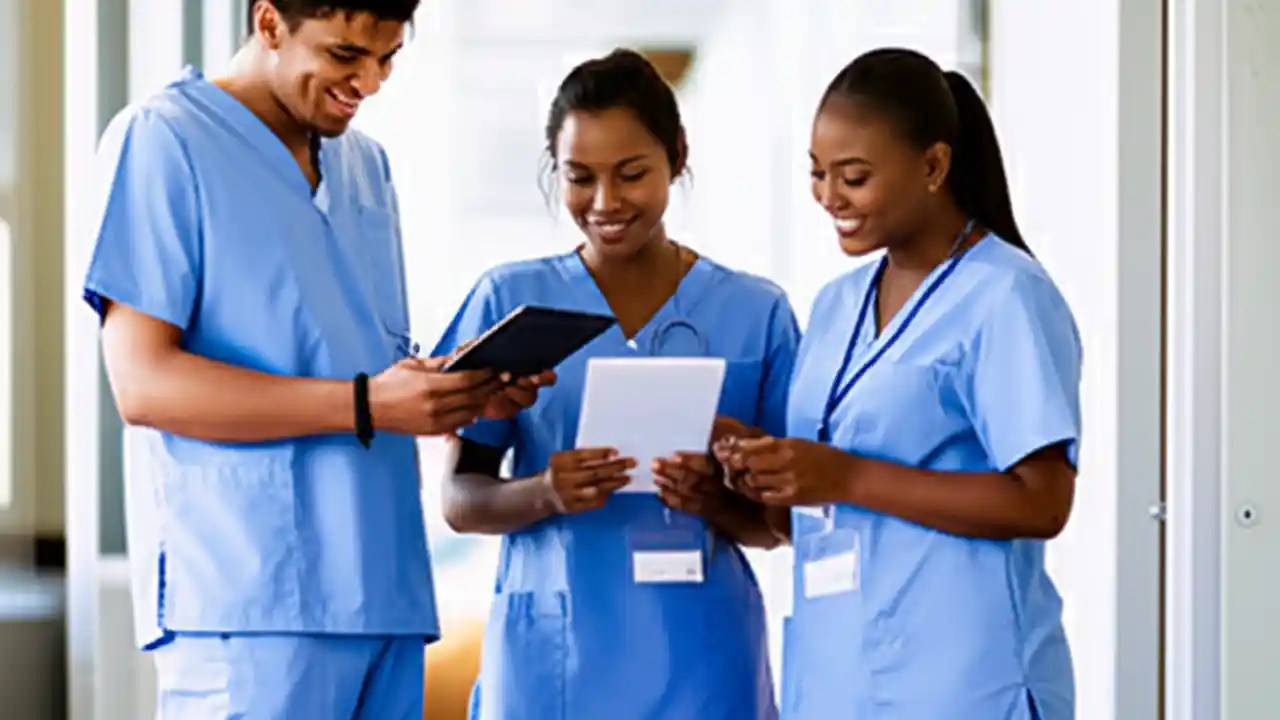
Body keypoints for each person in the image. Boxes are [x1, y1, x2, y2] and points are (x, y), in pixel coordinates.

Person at [82, 2, 551, 717]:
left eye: (387, 58)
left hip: (384, 591)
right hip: (251, 598)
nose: (369, 82)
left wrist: (449, 394)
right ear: (269, 23)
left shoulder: (366, 166)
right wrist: (366, 404)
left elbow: (349, 352)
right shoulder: (164, 141)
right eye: (344, 55)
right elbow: (143, 383)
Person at [434, 49, 800, 720]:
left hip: (703, 656)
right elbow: (461, 498)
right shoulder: (510, 299)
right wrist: (544, 491)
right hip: (554, 653)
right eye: (579, 177)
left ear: (677, 157)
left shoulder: (756, 313)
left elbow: (786, 524)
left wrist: (716, 498)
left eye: (631, 174)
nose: (605, 203)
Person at [717, 48, 1080, 720]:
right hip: (838, 678)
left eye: (853, 176)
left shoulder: (1004, 295)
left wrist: (844, 476)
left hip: (963, 681)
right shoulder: (834, 305)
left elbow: (1043, 503)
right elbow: (820, 510)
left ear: (934, 166)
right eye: (818, 174)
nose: (830, 197)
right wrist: (760, 470)